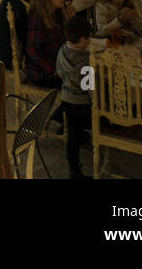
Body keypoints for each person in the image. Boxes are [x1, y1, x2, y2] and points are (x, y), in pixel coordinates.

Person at [56, 13, 94, 178]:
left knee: (72, 134)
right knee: (75, 136)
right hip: (81, 102)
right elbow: (89, 88)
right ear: (83, 39)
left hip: (66, 96)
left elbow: (58, 70)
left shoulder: (63, 50)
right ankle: (75, 172)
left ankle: (73, 167)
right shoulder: (87, 61)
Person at [25, 0, 75, 88]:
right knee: (85, 83)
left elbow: (69, 40)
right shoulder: (38, 18)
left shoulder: (57, 14)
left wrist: (71, 19)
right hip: (43, 72)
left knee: (90, 73)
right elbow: (32, 50)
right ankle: (79, 104)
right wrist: (53, 70)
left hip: (59, 63)